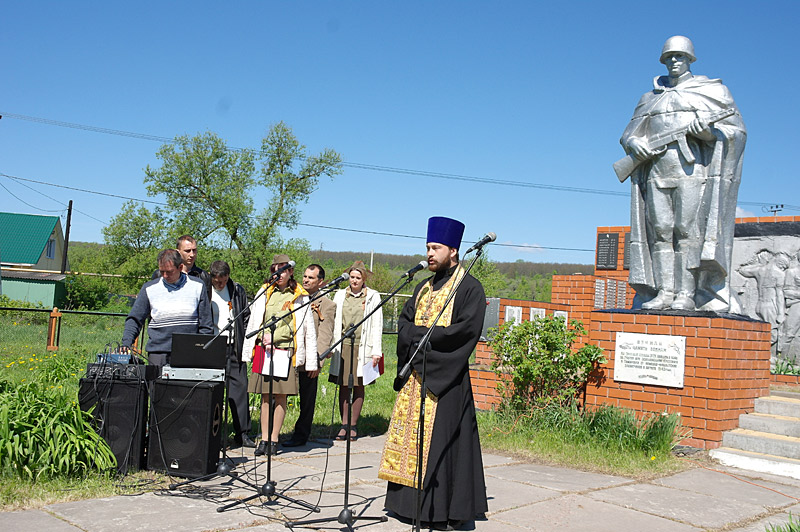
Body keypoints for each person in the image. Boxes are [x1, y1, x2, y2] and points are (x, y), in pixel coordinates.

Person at [620, 35, 746, 312]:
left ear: (690, 59)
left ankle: (686, 293)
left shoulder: (712, 92)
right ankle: (665, 292)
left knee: (687, 231)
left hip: (691, 172)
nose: (674, 61)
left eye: (680, 56)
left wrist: (709, 133)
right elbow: (629, 133)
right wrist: (634, 143)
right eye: (670, 57)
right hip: (656, 171)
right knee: (661, 232)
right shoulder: (649, 98)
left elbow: (735, 130)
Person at [382, 216, 487, 530]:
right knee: (411, 441)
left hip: (447, 380)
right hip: (416, 376)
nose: (429, 253)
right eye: (427, 246)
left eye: (435, 247)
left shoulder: (469, 288)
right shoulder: (422, 286)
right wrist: (418, 337)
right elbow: (404, 326)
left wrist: (421, 336)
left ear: (453, 251)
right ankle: (407, 506)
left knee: (442, 443)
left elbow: (462, 333)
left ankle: (441, 510)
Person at [242, 254, 317, 457]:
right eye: (275, 269)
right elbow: (254, 321)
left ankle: (275, 438)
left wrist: (311, 361)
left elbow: (308, 329)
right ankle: (264, 438)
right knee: (265, 396)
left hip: (286, 351)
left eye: (283, 269)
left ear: (290, 271)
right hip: (264, 350)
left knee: (281, 396)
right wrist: (260, 337)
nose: (279, 274)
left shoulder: (300, 295)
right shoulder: (265, 292)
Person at [122, 248, 213, 367]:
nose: (165, 275)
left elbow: (206, 325)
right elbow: (134, 319)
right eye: (162, 271)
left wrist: (201, 351)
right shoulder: (149, 288)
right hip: (157, 353)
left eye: (169, 272)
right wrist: (126, 344)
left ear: (180, 268)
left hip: (189, 353)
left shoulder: (197, 286)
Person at [329, 260, 383, 441]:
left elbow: (377, 324)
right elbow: (334, 321)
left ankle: (353, 425)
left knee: (359, 385)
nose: (354, 281)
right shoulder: (339, 295)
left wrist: (377, 351)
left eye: (358, 278)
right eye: (352, 277)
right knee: (344, 386)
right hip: (343, 346)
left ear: (364, 279)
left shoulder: (373, 296)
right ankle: (343, 424)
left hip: (363, 347)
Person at [283, 264, 336, 447]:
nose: (305, 280)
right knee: (281, 394)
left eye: (311, 278)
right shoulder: (294, 297)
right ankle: (274, 434)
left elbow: (325, 333)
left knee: (307, 399)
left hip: (310, 358)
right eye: (304, 276)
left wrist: (318, 361)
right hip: (290, 354)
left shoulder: (327, 305)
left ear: (320, 282)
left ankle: (301, 435)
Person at [209, 260, 255, 448]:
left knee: (239, 390)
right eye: (215, 280)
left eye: (222, 280)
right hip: (213, 346)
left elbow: (245, 315)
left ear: (227, 276)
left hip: (234, 345)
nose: (219, 284)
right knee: (214, 392)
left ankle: (242, 433)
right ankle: (215, 434)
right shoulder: (205, 290)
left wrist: (245, 339)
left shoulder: (237, 290)